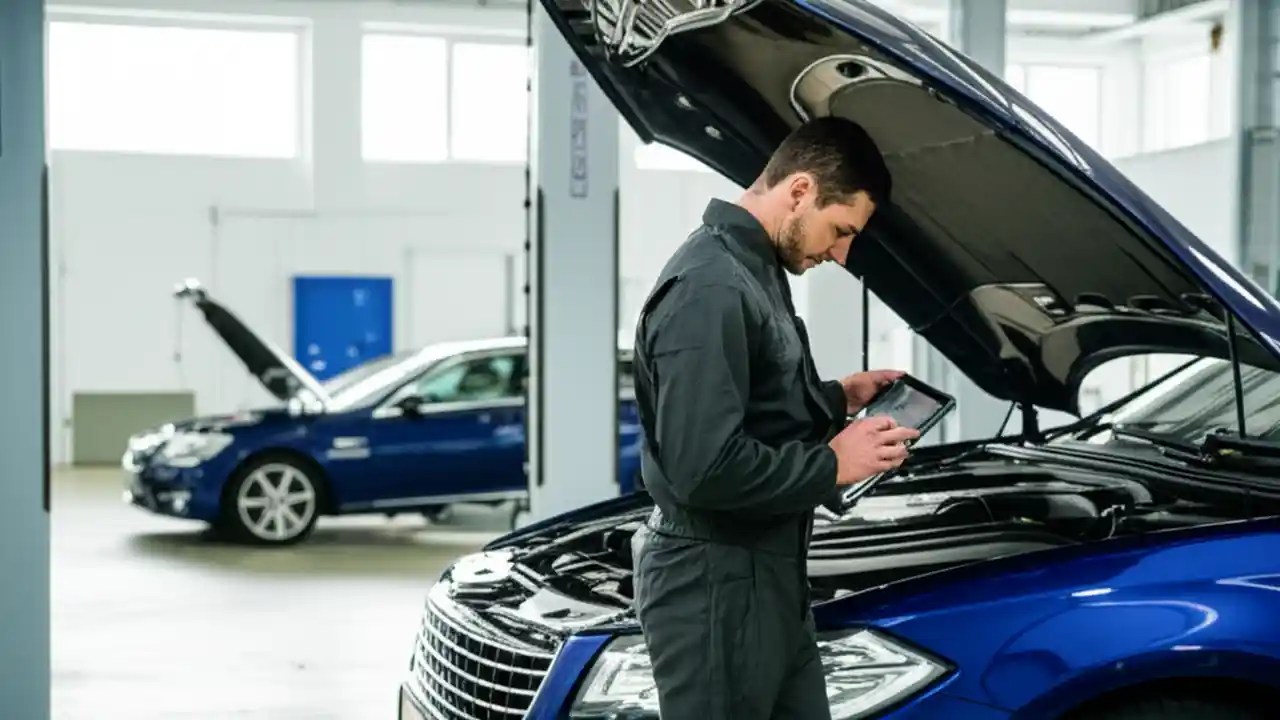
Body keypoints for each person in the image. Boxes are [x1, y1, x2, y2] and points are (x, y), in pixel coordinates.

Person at [630, 116, 921, 720]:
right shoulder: (709, 287)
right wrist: (833, 464)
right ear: (800, 191)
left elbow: (760, 400)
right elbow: (702, 468)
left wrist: (838, 396)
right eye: (840, 231)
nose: (840, 254)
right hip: (713, 581)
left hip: (768, 575)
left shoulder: (755, 267)